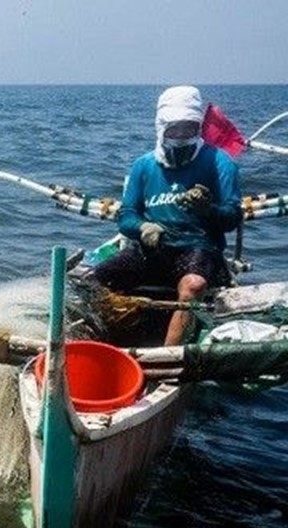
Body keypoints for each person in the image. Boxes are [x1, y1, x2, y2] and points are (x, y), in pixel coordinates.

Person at [93, 86, 242, 345]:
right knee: (95, 279)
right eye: (175, 128)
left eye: (189, 128)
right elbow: (126, 216)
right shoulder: (143, 165)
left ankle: (168, 356)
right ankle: (104, 338)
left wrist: (208, 210)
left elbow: (232, 217)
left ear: (199, 127)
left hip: (199, 249)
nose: (182, 135)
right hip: (153, 250)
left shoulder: (221, 162)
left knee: (193, 285)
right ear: (161, 127)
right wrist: (143, 228)